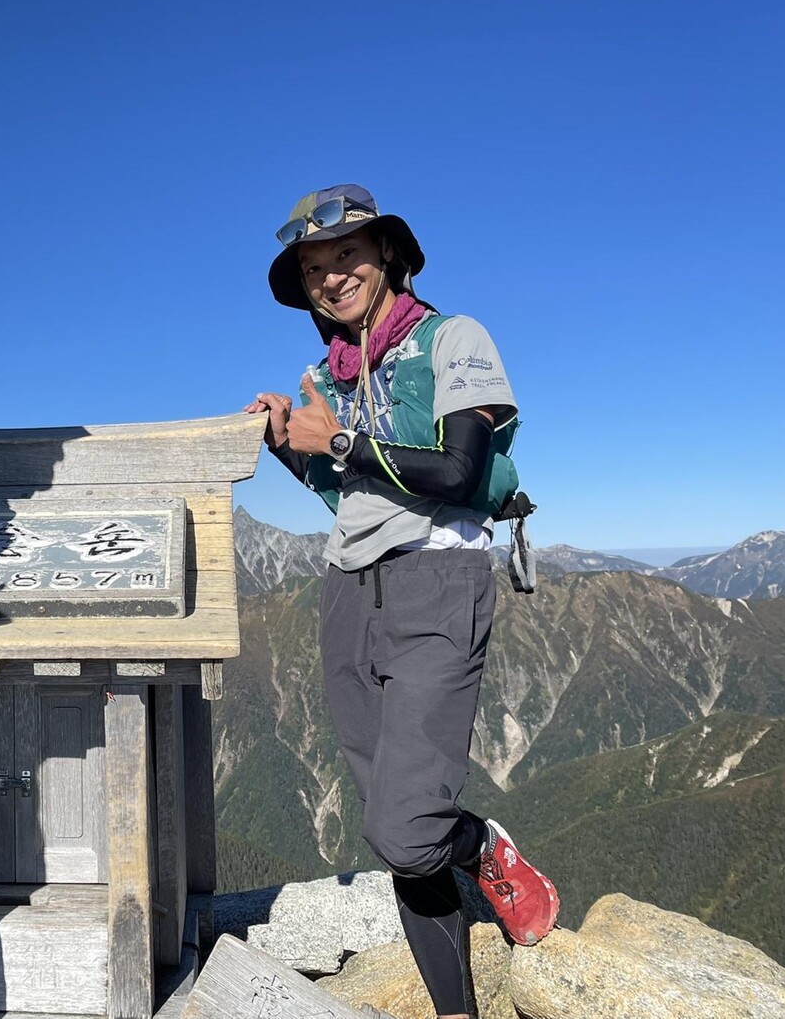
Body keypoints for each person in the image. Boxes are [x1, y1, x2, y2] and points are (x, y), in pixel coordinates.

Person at [245, 185, 558, 1019]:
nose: (330, 276)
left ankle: (481, 841)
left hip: (436, 578)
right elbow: (343, 494)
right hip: (348, 589)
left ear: (387, 253)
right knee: (393, 833)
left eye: (345, 254)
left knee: (409, 827)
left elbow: (458, 470)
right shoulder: (327, 375)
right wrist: (288, 443)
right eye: (312, 268)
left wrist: (336, 437)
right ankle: (455, 1011)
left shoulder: (452, 338)